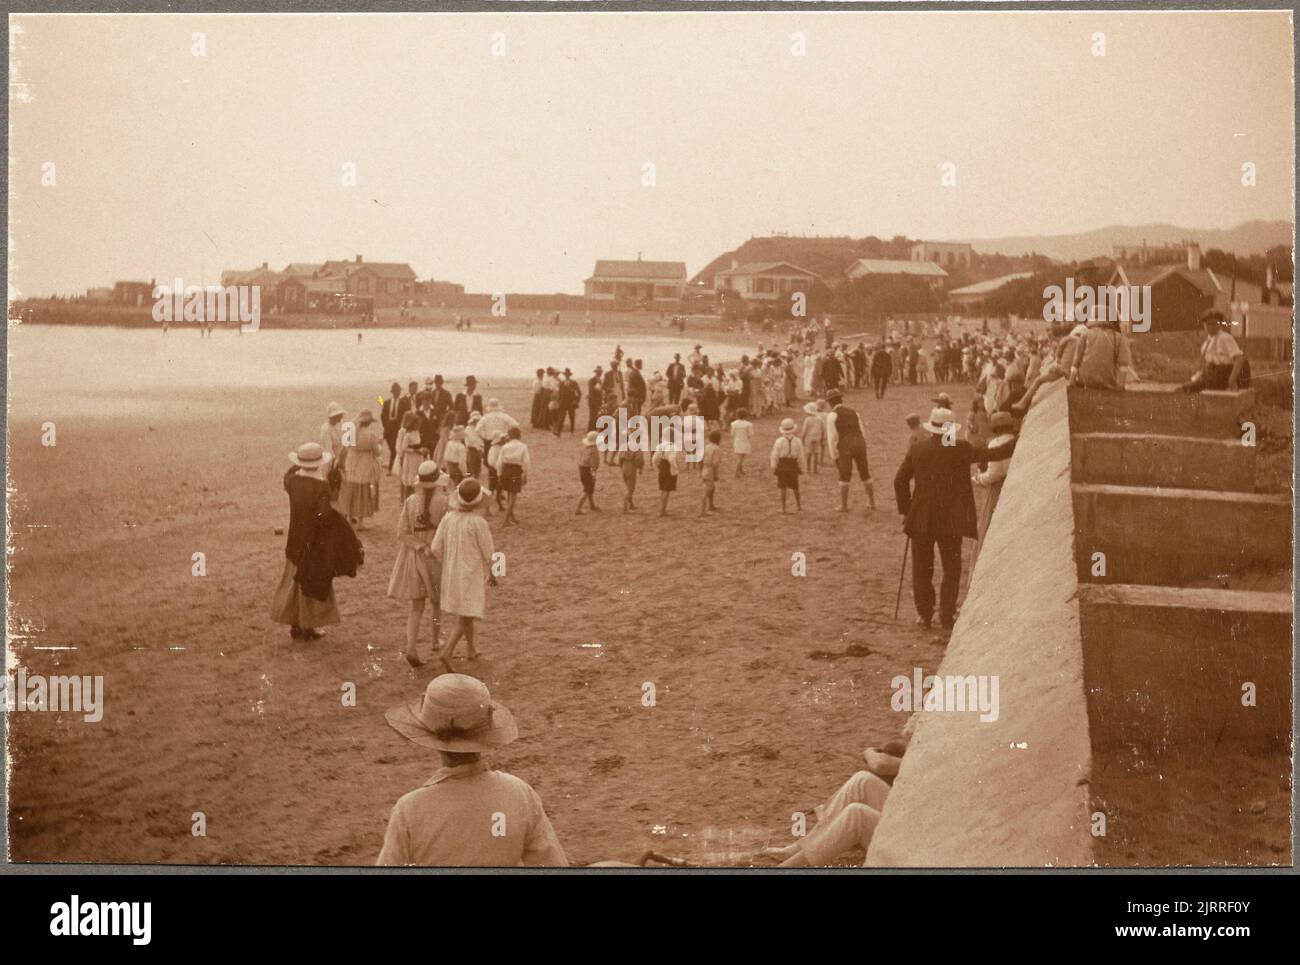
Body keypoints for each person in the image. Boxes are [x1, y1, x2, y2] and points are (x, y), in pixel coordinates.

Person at [378, 674, 567, 867]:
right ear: (487, 731)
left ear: (429, 734)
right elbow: (553, 865)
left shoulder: (409, 810)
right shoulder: (519, 793)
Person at [893, 406, 1016, 631]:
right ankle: (947, 615)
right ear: (950, 428)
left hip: (922, 518)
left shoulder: (918, 448)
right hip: (951, 520)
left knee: (922, 568)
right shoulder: (960, 448)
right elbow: (992, 454)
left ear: (931, 428)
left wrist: (907, 509)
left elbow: (899, 480)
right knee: (951, 569)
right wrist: (1016, 441)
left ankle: (924, 615)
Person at [271, 442, 339, 641]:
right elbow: (324, 517)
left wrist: (297, 464)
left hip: (295, 542)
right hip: (314, 544)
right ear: (318, 464)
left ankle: (296, 624)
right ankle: (309, 625)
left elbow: (287, 475)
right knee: (312, 585)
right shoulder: (321, 487)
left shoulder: (292, 482)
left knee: (294, 583)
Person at [758, 769, 891, 867]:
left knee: (856, 814)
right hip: (905, 825)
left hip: (907, 846)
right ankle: (800, 847)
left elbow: (881, 763)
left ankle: (793, 866)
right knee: (862, 780)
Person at [430, 478, 497, 668]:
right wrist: (493, 573)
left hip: (451, 572)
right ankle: (448, 651)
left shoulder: (448, 518)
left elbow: (435, 548)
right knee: (467, 613)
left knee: (466, 609)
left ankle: (471, 649)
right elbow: (489, 552)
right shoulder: (478, 522)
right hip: (470, 572)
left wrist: (448, 559)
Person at [388, 461, 447, 667]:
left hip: (414, 556)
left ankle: (411, 646)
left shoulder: (410, 501)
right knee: (437, 602)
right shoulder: (444, 501)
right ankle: (435, 640)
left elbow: (402, 533)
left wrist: (419, 545)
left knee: (416, 606)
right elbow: (445, 533)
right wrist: (430, 546)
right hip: (436, 557)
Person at [972, 411, 1018, 561]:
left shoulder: (995, 444)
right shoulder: (1016, 441)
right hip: (1015, 485)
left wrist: (978, 478)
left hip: (999, 489)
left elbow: (994, 474)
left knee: (992, 526)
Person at [825, 390, 876, 511]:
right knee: (865, 472)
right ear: (841, 400)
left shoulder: (832, 416)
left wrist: (834, 456)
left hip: (845, 445)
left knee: (844, 474)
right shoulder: (854, 412)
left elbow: (832, 438)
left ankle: (843, 505)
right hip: (859, 442)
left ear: (830, 403)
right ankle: (872, 502)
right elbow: (862, 431)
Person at [339, 409, 384, 529]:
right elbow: (377, 452)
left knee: (351, 490)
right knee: (363, 491)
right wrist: (380, 444)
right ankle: (360, 522)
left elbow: (345, 447)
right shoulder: (371, 435)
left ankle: (348, 517)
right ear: (369, 423)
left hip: (352, 461)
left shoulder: (351, 433)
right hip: (364, 463)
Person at [1184, 309, 1248, 392]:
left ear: (1220, 324)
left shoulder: (1225, 338)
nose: (1211, 327)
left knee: (1190, 388)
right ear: (1204, 325)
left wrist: (1232, 380)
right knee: (1189, 386)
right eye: (1208, 324)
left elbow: (1239, 359)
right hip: (1214, 373)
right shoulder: (1207, 343)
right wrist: (1196, 378)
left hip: (1226, 373)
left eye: (1215, 324)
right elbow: (1206, 365)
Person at [1068, 317, 1135, 391]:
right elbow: (1123, 364)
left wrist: (1071, 381)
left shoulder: (1085, 335)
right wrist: (1121, 385)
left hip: (1085, 381)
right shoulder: (1119, 337)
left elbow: (1076, 361)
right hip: (1109, 382)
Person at [494, 426, 531, 525]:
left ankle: (512, 516)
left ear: (509, 436)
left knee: (509, 494)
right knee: (513, 495)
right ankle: (506, 519)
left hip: (505, 470)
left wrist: (499, 474)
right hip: (515, 471)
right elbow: (526, 462)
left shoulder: (505, 447)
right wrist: (525, 474)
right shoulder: (523, 446)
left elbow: (499, 462)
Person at [771, 418, 805, 513]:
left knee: (783, 487)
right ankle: (799, 506)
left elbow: (774, 455)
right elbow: (801, 455)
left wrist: (774, 466)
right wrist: (801, 467)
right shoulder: (797, 441)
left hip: (782, 464)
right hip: (793, 464)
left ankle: (783, 508)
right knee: (795, 486)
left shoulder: (779, 441)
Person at [652, 426, 682, 516]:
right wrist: (675, 468)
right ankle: (662, 511)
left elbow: (654, 459)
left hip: (662, 466)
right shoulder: (673, 447)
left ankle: (662, 508)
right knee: (666, 490)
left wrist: (656, 468)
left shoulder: (660, 445)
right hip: (669, 468)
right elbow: (672, 459)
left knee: (662, 489)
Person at [396, 417, 425, 501]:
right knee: (410, 477)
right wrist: (415, 450)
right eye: (417, 424)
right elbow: (404, 448)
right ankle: (407, 497)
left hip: (418, 458)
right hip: (411, 458)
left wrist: (421, 450)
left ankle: (415, 497)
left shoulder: (417, 433)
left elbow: (418, 444)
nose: (419, 426)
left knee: (416, 476)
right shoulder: (408, 435)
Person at [575, 431, 601, 514]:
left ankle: (592, 505)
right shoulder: (594, 451)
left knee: (589, 489)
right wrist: (594, 474)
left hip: (582, 469)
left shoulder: (585, 448)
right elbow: (594, 464)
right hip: (588, 471)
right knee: (587, 490)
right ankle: (578, 509)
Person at [381, 382, 404, 473]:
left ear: (399, 392)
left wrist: (400, 426)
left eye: (398, 391)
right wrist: (386, 426)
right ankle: (395, 466)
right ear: (392, 392)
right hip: (388, 429)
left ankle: (391, 468)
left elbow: (405, 416)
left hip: (398, 429)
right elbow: (383, 416)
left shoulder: (403, 403)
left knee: (395, 449)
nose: (396, 393)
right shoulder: (387, 403)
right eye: (394, 391)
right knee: (392, 448)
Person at [699, 428, 722, 517]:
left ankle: (711, 505)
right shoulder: (717, 449)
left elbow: (700, 459)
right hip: (710, 470)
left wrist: (700, 470)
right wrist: (716, 474)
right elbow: (715, 464)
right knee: (707, 490)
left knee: (712, 488)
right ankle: (702, 511)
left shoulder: (707, 446)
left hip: (705, 469)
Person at [618, 441, 644, 512]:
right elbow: (639, 460)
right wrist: (640, 468)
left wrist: (621, 466)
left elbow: (619, 458)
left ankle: (631, 504)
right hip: (631, 467)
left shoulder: (624, 445)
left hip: (624, 466)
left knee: (628, 486)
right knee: (630, 489)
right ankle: (625, 508)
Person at [800, 401, 823, 474]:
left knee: (808, 454)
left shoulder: (807, 420)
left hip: (809, 438)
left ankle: (808, 469)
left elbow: (804, 431)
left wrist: (802, 439)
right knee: (816, 454)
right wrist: (821, 438)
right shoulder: (819, 419)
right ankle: (815, 470)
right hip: (817, 438)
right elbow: (822, 429)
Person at [729, 409, 753, 477]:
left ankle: (740, 469)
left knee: (739, 457)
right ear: (746, 416)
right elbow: (750, 434)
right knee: (741, 458)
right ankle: (736, 472)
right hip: (745, 441)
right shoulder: (748, 424)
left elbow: (732, 434)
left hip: (737, 441)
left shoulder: (733, 424)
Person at [587, 366, 604, 432]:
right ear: (596, 372)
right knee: (592, 416)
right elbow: (591, 391)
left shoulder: (599, 380)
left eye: (600, 372)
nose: (599, 373)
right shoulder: (592, 380)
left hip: (598, 401)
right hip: (593, 401)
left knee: (596, 415)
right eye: (598, 372)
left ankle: (594, 429)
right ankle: (590, 430)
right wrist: (594, 401)